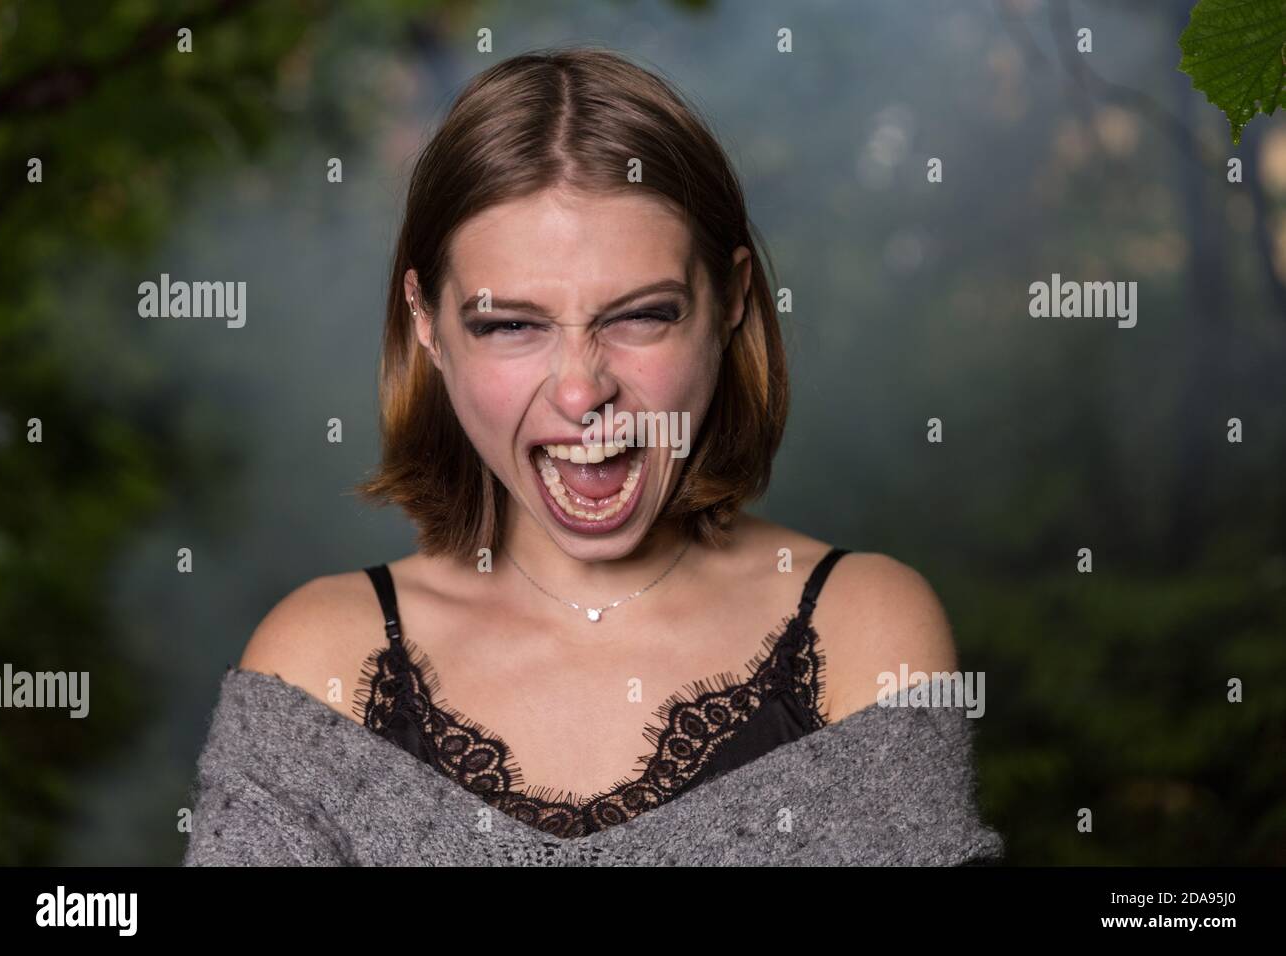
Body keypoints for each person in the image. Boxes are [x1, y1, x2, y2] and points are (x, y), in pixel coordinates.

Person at [183, 46, 1004, 865]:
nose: (581, 393)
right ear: (427, 324)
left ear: (732, 300)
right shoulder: (314, 663)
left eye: (640, 316)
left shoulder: (865, 627)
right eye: (511, 325)